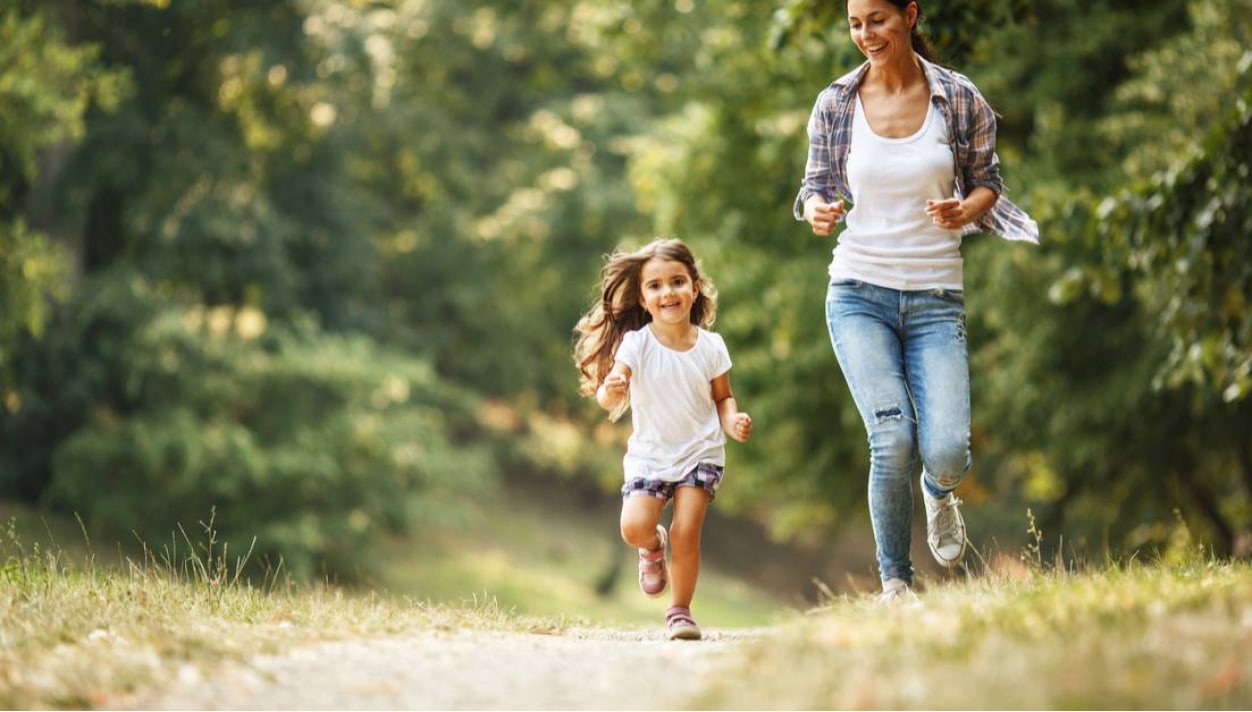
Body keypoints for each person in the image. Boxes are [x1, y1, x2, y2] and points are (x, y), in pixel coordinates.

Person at [793, 0, 1039, 603]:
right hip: (858, 293)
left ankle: (939, 491)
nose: (865, 34)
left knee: (948, 451)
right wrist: (817, 210)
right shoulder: (837, 102)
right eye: (854, 23)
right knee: (891, 436)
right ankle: (895, 582)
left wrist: (966, 209)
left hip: (935, 298)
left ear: (909, 15)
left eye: (876, 19)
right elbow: (813, 189)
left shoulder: (957, 98)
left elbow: (988, 182)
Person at [573, 238, 753, 639]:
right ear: (643, 296)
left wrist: (732, 420)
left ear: (694, 288)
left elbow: (723, 397)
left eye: (677, 281)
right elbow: (607, 396)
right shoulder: (636, 344)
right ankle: (651, 546)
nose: (667, 292)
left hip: (700, 453)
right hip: (651, 456)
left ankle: (680, 612)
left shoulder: (711, 346)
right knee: (634, 528)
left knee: (686, 531)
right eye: (655, 286)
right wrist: (614, 387)